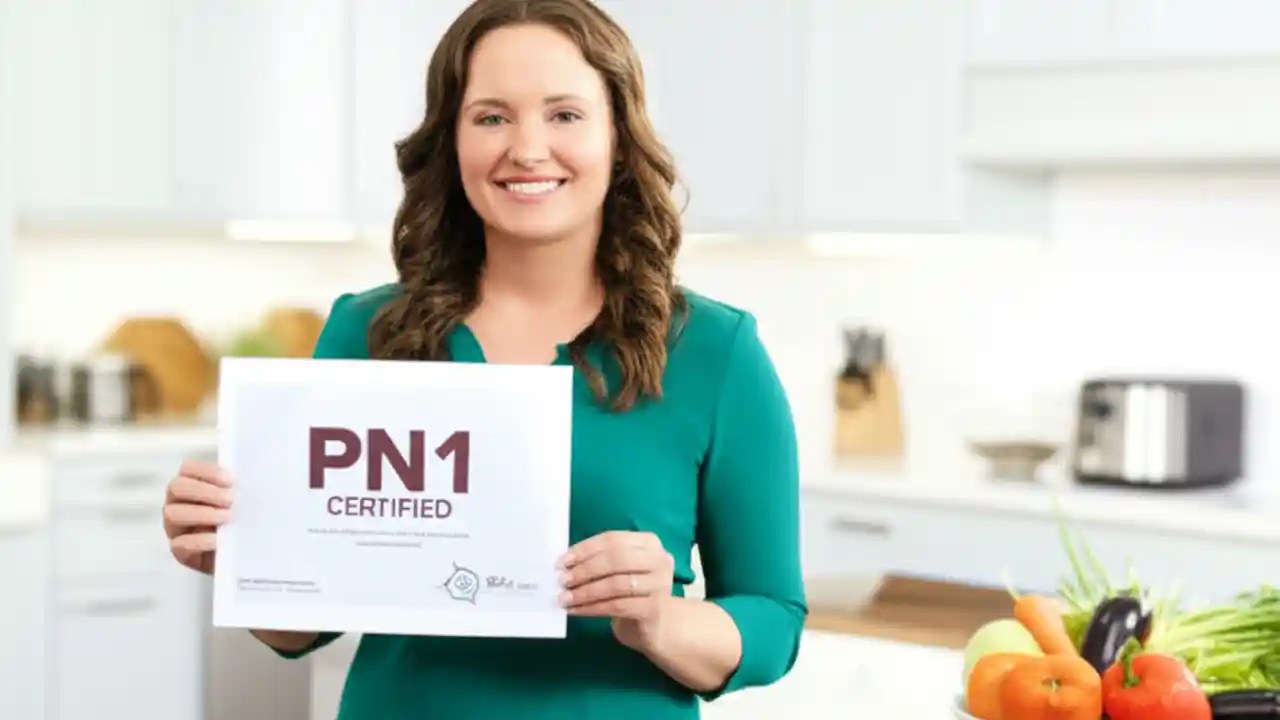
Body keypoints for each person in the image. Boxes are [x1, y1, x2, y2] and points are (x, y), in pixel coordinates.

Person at [161, 0, 806, 717]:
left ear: (619, 138)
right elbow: (302, 625)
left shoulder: (717, 353)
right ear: (452, 140)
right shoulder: (366, 333)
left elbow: (774, 619)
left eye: (565, 114)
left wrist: (659, 620)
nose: (527, 149)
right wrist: (243, 560)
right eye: (492, 117)